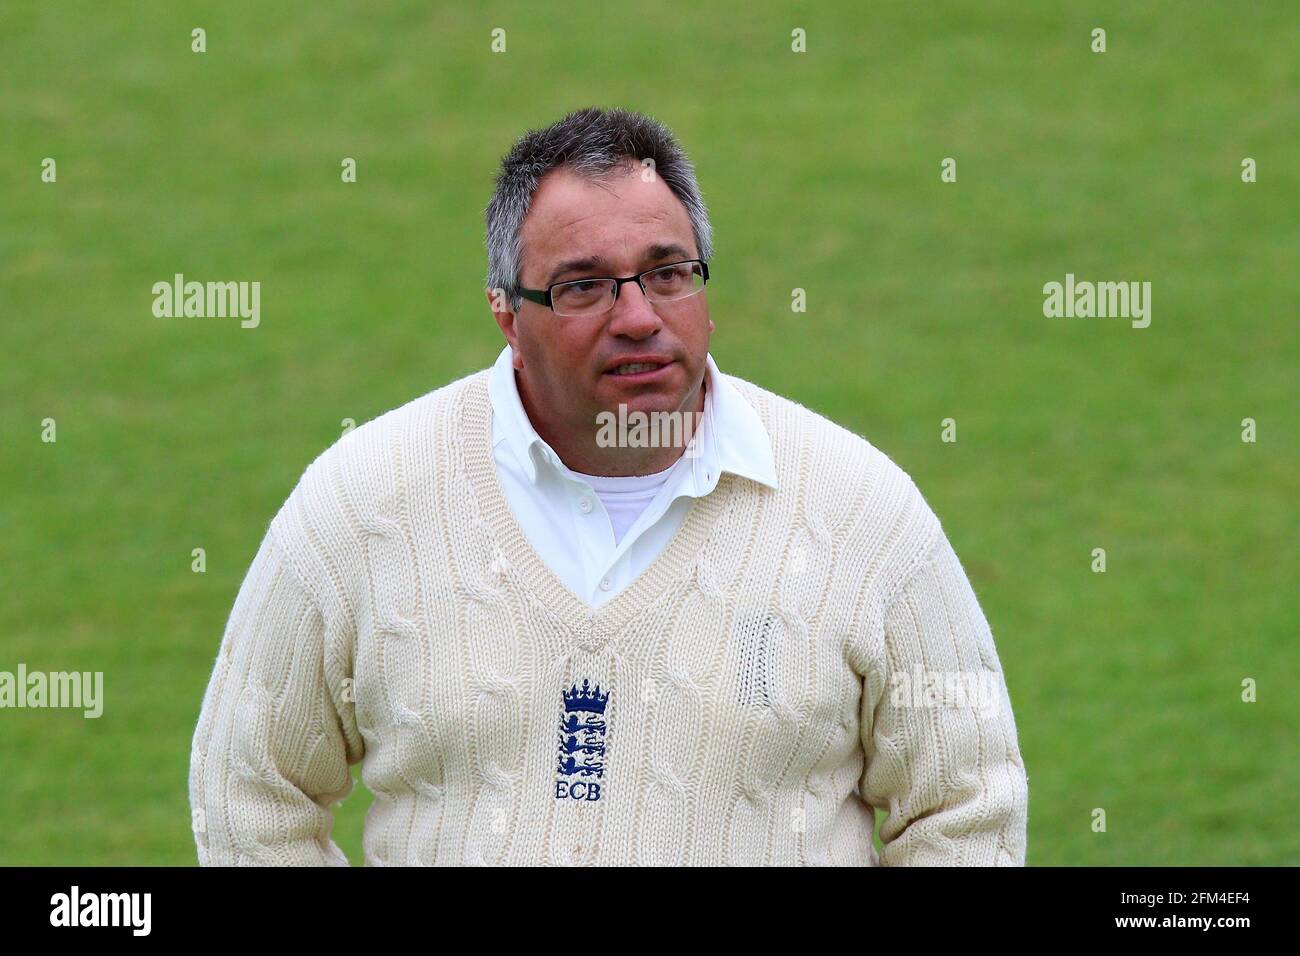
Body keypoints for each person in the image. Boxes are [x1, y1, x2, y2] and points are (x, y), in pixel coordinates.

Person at [188, 106, 1028, 866]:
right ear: (508, 317)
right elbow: (250, 794)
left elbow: (968, 810)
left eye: (668, 273)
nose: (638, 316)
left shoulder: (862, 514)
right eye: (584, 286)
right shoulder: (359, 504)